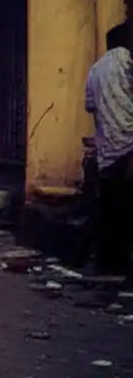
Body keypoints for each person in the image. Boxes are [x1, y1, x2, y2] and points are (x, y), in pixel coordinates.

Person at [85, 21, 133, 280]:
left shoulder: (95, 69)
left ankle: (108, 263)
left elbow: (90, 107)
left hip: (107, 151)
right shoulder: (127, 61)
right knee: (126, 207)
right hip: (129, 144)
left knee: (111, 207)